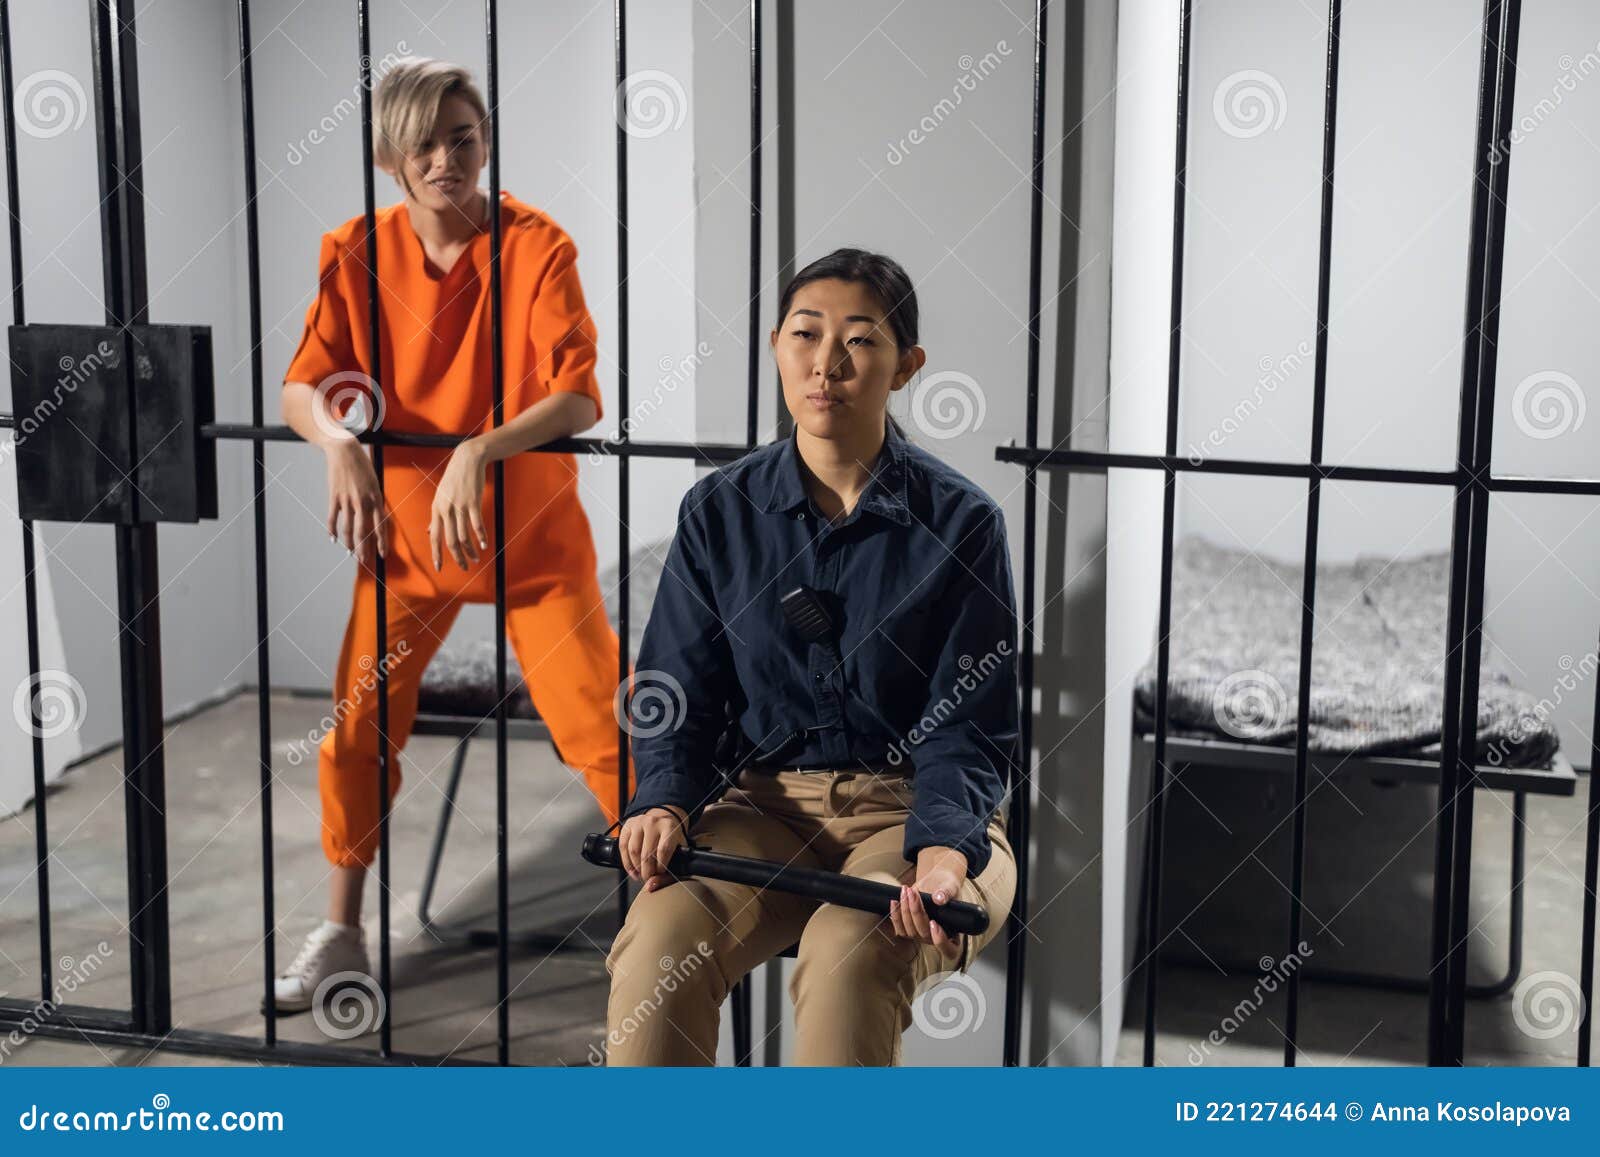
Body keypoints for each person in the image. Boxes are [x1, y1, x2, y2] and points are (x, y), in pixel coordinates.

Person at [274, 57, 632, 1011]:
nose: (447, 159)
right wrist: (337, 439)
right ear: (393, 155)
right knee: (353, 730)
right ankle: (343, 931)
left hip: (530, 540)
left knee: (603, 726)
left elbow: (579, 394)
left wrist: (482, 447)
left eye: (464, 138)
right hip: (405, 545)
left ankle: (661, 920)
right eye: (426, 143)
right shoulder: (354, 247)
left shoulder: (535, 244)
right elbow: (303, 383)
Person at [604, 248, 1020, 1065]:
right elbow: (678, 693)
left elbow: (971, 728)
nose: (826, 363)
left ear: (907, 367)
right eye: (806, 334)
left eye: (861, 341)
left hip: (916, 815)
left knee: (850, 955)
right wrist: (663, 800)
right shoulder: (718, 511)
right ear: (775, 346)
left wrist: (943, 849)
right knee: (658, 942)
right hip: (761, 810)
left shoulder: (962, 522)